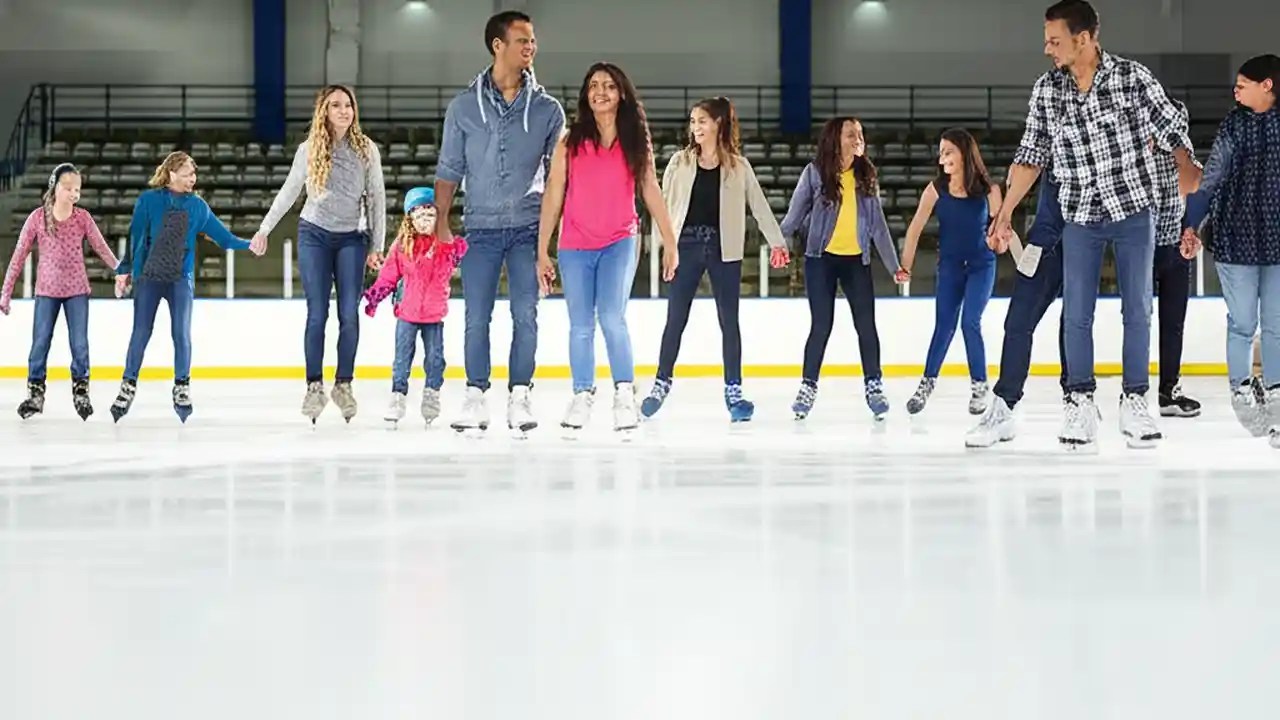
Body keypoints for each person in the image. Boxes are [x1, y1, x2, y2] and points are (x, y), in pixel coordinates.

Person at [989, 0, 1201, 451]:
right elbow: (1031, 154)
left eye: (1055, 40)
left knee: (1138, 309)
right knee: (1078, 313)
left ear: (1083, 39)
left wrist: (1186, 162)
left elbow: (1170, 127)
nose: (1047, 48)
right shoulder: (1048, 90)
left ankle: (1135, 401)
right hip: (1079, 215)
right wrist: (1005, 211)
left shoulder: (1131, 78)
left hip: (1131, 213)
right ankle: (1081, 401)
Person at [435, 10, 566, 435]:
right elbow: (449, 167)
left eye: (532, 41)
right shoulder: (463, 107)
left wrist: (548, 242)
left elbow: (558, 179)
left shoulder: (548, 111)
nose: (531, 47)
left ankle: (520, 395)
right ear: (498, 45)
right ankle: (475, 395)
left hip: (528, 229)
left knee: (526, 315)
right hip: (481, 229)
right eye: (522, 40)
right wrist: (441, 223)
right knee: (476, 316)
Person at [535, 62, 678, 433]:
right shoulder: (571, 140)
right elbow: (553, 193)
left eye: (609, 86)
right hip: (575, 244)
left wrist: (669, 241)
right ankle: (582, 394)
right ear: (586, 93)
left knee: (612, 318)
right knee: (580, 325)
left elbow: (650, 189)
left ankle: (624, 393)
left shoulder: (636, 138)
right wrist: (542, 249)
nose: (601, 91)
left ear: (622, 93)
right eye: (594, 85)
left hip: (619, 240)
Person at [640, 97, 790, 422]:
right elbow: (664, 207)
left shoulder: (739, 166)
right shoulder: (679, 163)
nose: (696, 127)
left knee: (729, 322)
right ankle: (660, 383)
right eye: (693, 121)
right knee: (675, 319)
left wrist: (777, 242)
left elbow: (760, 207)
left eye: (702, 121)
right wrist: (665, 246)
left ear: (719, 123)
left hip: (725, 248)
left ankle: (734, 391)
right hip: (687, 245)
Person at [256, 84, 386, 424]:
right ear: (324, 111)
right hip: (314, 233)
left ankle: (344, 384)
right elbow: (289, 191)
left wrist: (377, 246)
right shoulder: (309, 148)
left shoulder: (367, 150)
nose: (344, 110)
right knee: (317, 314)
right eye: (336, 105)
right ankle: (314, 385)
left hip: (351, 239)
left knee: (349, 314)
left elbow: (376, 198)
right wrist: (264, 229)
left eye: (348, 105)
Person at [111, 152, 264, 423]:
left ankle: (182, 386)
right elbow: (135, 237)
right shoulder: (148, 201)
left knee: (181, 332)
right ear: (171, 173)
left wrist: (249, 244)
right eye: (187, 173)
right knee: (141, 332)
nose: (192, 178)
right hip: (149, 277)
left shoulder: (198, 206)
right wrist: (124, 272)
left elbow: (224, 238)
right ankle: (128, 385)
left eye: (194, 173)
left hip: (180, 278)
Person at [1182, 53, 1280, 446]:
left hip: (1277, 241)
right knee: (1242, 322)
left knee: (1276, 324)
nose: (1235, 89)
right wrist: (1192, 224)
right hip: (1236, 239)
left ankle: (1276, 396)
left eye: (1243, 83)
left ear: (1267, 86)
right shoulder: (1233, 125)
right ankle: (1241, 389)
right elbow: (1210, 180)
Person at [779, 117, 906, 421]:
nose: (858, 139)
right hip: (820, 260)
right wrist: (779, 244)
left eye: (860, 134)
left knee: (866, 325)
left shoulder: (866, 177)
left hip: (856, 262)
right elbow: (793, 217)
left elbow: (878, 227)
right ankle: (807, 387)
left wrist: (894, 267)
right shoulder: (814, 174)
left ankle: (874, 385)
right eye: (851, 134)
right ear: (836, 140)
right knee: (821, 325)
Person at [0, 163, 118, 420]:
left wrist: (120, 270)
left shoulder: (82, 218)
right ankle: (35, 392)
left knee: (79, 344)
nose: (74, 194)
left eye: (78, 189)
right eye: (68, 188)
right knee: (40, 342)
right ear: (55, 188)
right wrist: (5, 292)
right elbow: (19, 256)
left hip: (77, 291)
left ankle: (81, 390)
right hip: (46, 291)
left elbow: (100, 247)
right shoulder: (37, 219)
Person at [898, 128, 1003, 416]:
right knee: (944, 325)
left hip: (982, 266)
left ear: (964, 154)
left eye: (948, 152)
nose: (942, 157)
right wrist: (905, 265)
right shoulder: (935, 190)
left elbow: (1002, 234)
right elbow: (915, 227)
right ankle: (927, 383)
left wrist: (1005, 246)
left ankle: (980, 386)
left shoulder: (990, 191)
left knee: (971, 321)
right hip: (951, 267)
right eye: (941, 152)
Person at [966, 172, 1069, 447]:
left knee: (1075, 323)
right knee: (1017, 323)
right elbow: (1025, 169)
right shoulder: (1045, 133)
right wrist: (1004, 217)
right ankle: (1005, 405)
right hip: (1045, 240)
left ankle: (1076, 400)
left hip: (1086, 239)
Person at [363, 187, 468, 428]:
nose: (424, 221)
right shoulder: (402, 245)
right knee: (402, 358)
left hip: (434, 314)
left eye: (430, 215)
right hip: (407, 313)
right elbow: (388, 275)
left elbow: (460, 257)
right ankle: (397, 396)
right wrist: (375, 297)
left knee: (435, 359)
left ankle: (431, 394)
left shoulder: (445, 243)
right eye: (419, 216)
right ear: (410, 219)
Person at [1150, 104, 1202, 419]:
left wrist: (1190, 231)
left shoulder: (1185, 156)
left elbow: (1192, 189)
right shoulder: (1137, 154)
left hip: (1174, 248)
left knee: (1174, 324)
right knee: (1137, 320)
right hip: (1140, 247)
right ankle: (1134, 390)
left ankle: (1169, 390)